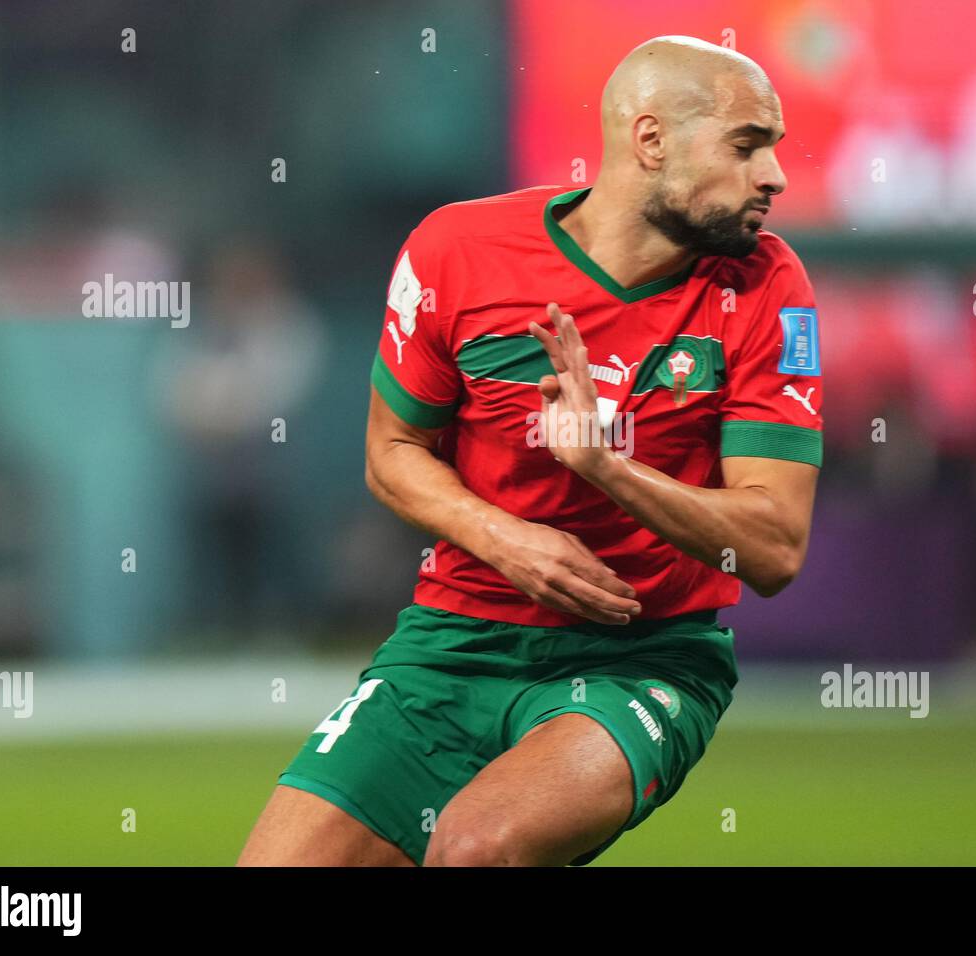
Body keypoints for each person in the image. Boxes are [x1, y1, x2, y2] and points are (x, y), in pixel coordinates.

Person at [239, 35, 823, 867]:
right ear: (650, 139)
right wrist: (504, 538)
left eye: (774, 148)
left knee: (476, 849)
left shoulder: (767, 287)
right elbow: (392, 452)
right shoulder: (458, 252)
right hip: (453, 641)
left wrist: (606, 467)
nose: (775, 176)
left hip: (644, 657)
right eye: (746, 144)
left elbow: (773, 547)